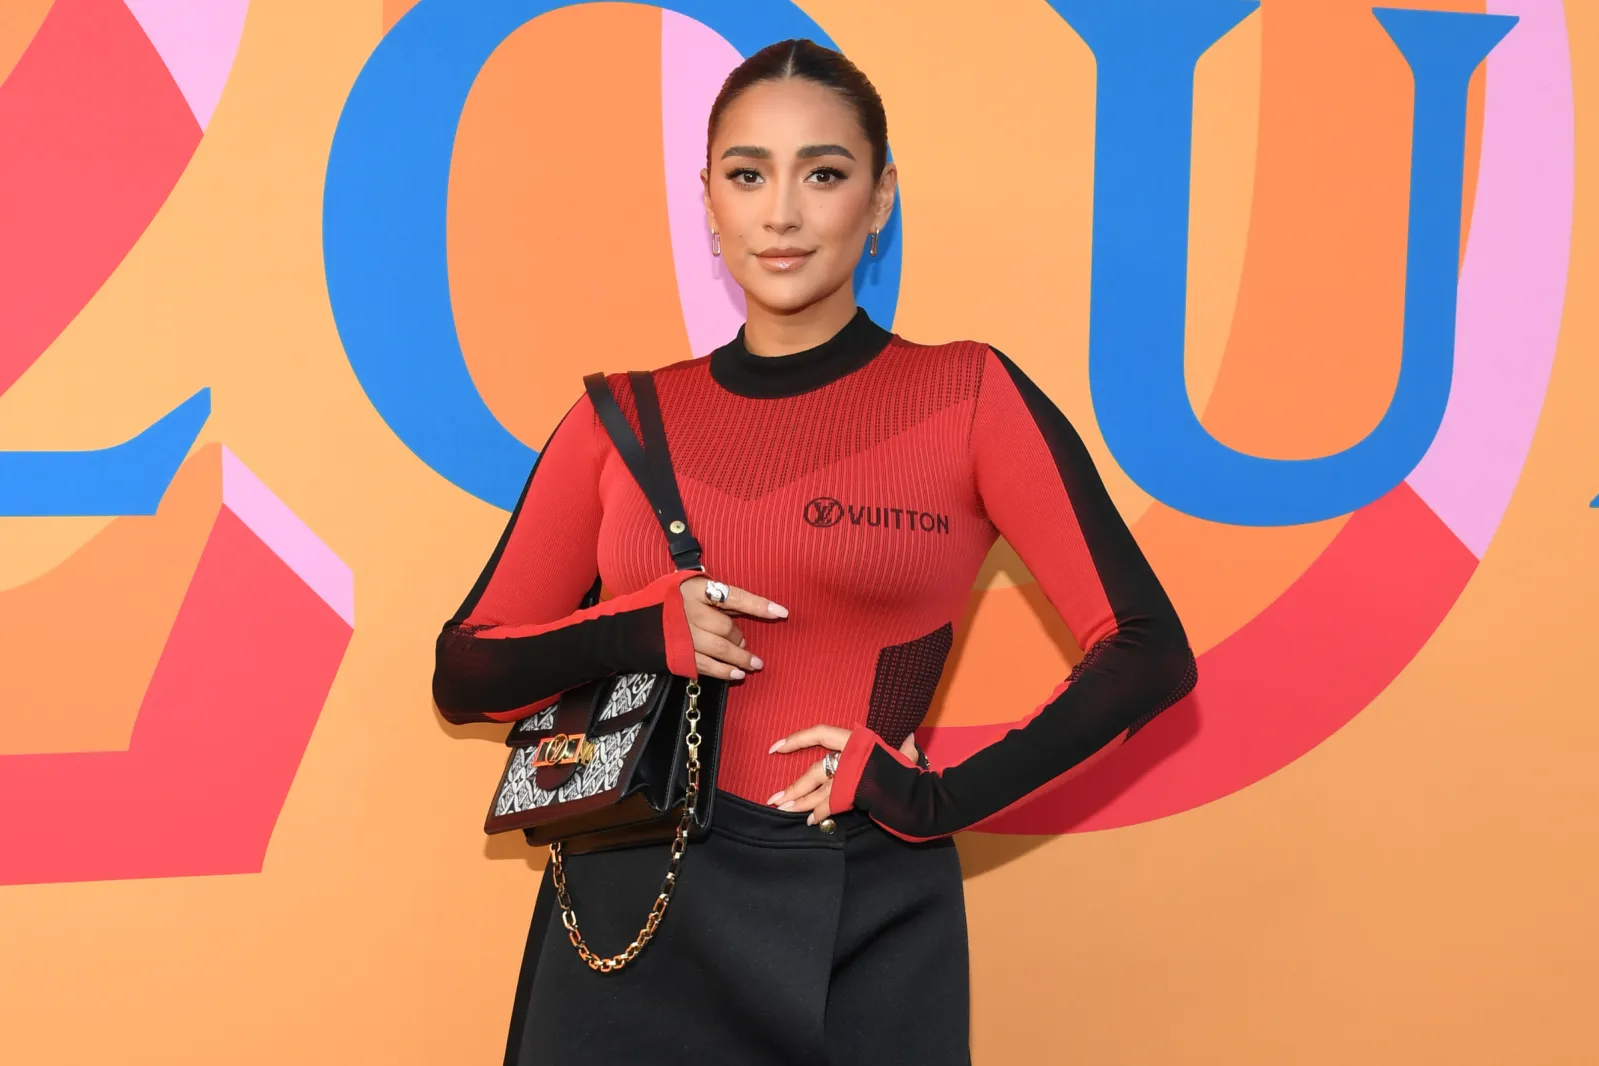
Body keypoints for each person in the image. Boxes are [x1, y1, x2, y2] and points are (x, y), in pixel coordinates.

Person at [431, 37, 1197, 1066]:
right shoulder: (620, 419)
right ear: (709, 201)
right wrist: (638, 628)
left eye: (823, 174)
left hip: (863, 905)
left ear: (880, 199)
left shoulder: (966, 395)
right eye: (748, 175)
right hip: (630, 911)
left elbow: (1147, 649)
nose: (782, 214)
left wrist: (935, 801)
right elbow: (465, 670)